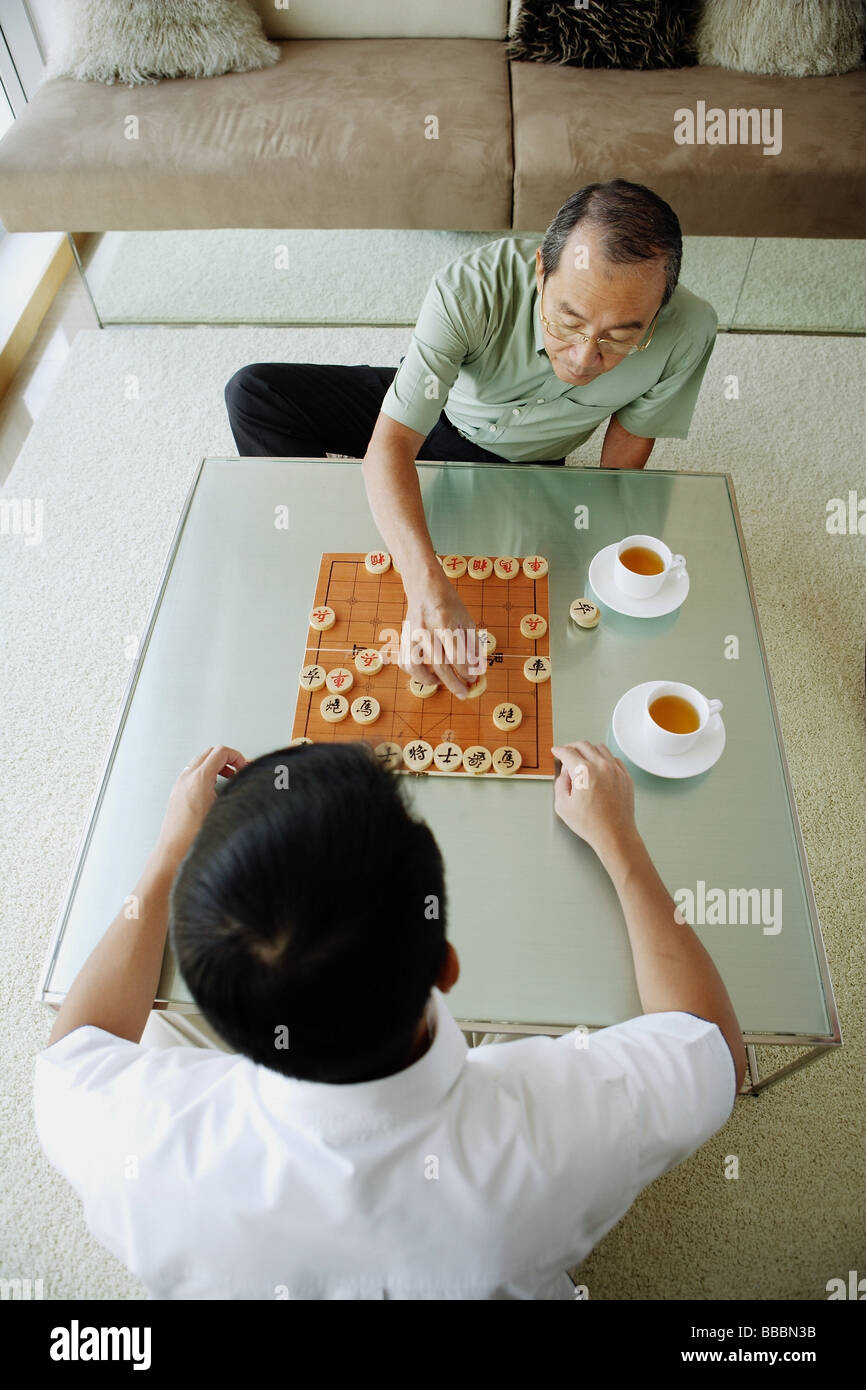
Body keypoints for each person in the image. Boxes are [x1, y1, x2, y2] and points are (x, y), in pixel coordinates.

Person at [33, 739, 745, 1300]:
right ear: (447, 966)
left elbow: (78, 1045)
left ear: (216, 1012)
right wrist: (622, 844)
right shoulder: (569, 1120)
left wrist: (168, 857)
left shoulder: (133, 1140)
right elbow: (712, 1044)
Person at [224, 180, 718, 699]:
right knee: (255, 393)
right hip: (440, 412)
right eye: (567, 322)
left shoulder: (688, 331)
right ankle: (348, 551)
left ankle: (400, 541)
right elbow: (391, 445)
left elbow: (620, 475)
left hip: (528, 468)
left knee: (541, 641)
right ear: (539, 272)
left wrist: (597, 564)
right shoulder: (471, 288)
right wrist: (425, 584)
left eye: (619, 338)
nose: (582, 358)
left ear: (658, 312)